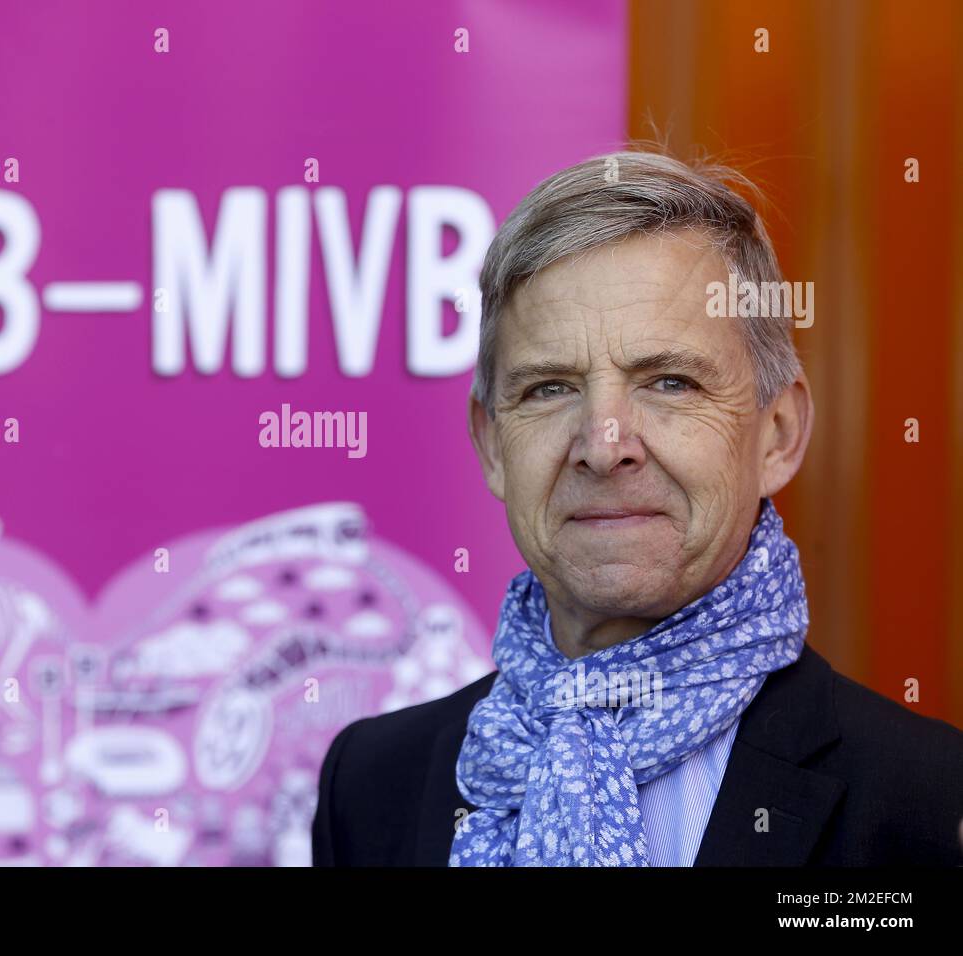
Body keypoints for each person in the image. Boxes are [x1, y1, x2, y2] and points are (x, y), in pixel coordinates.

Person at [311, 149, 963, 866]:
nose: (604, 444)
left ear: (777, 434)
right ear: (492, 445)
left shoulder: (927, 803)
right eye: (550, 388)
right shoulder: (373, 785)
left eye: (671, 382)